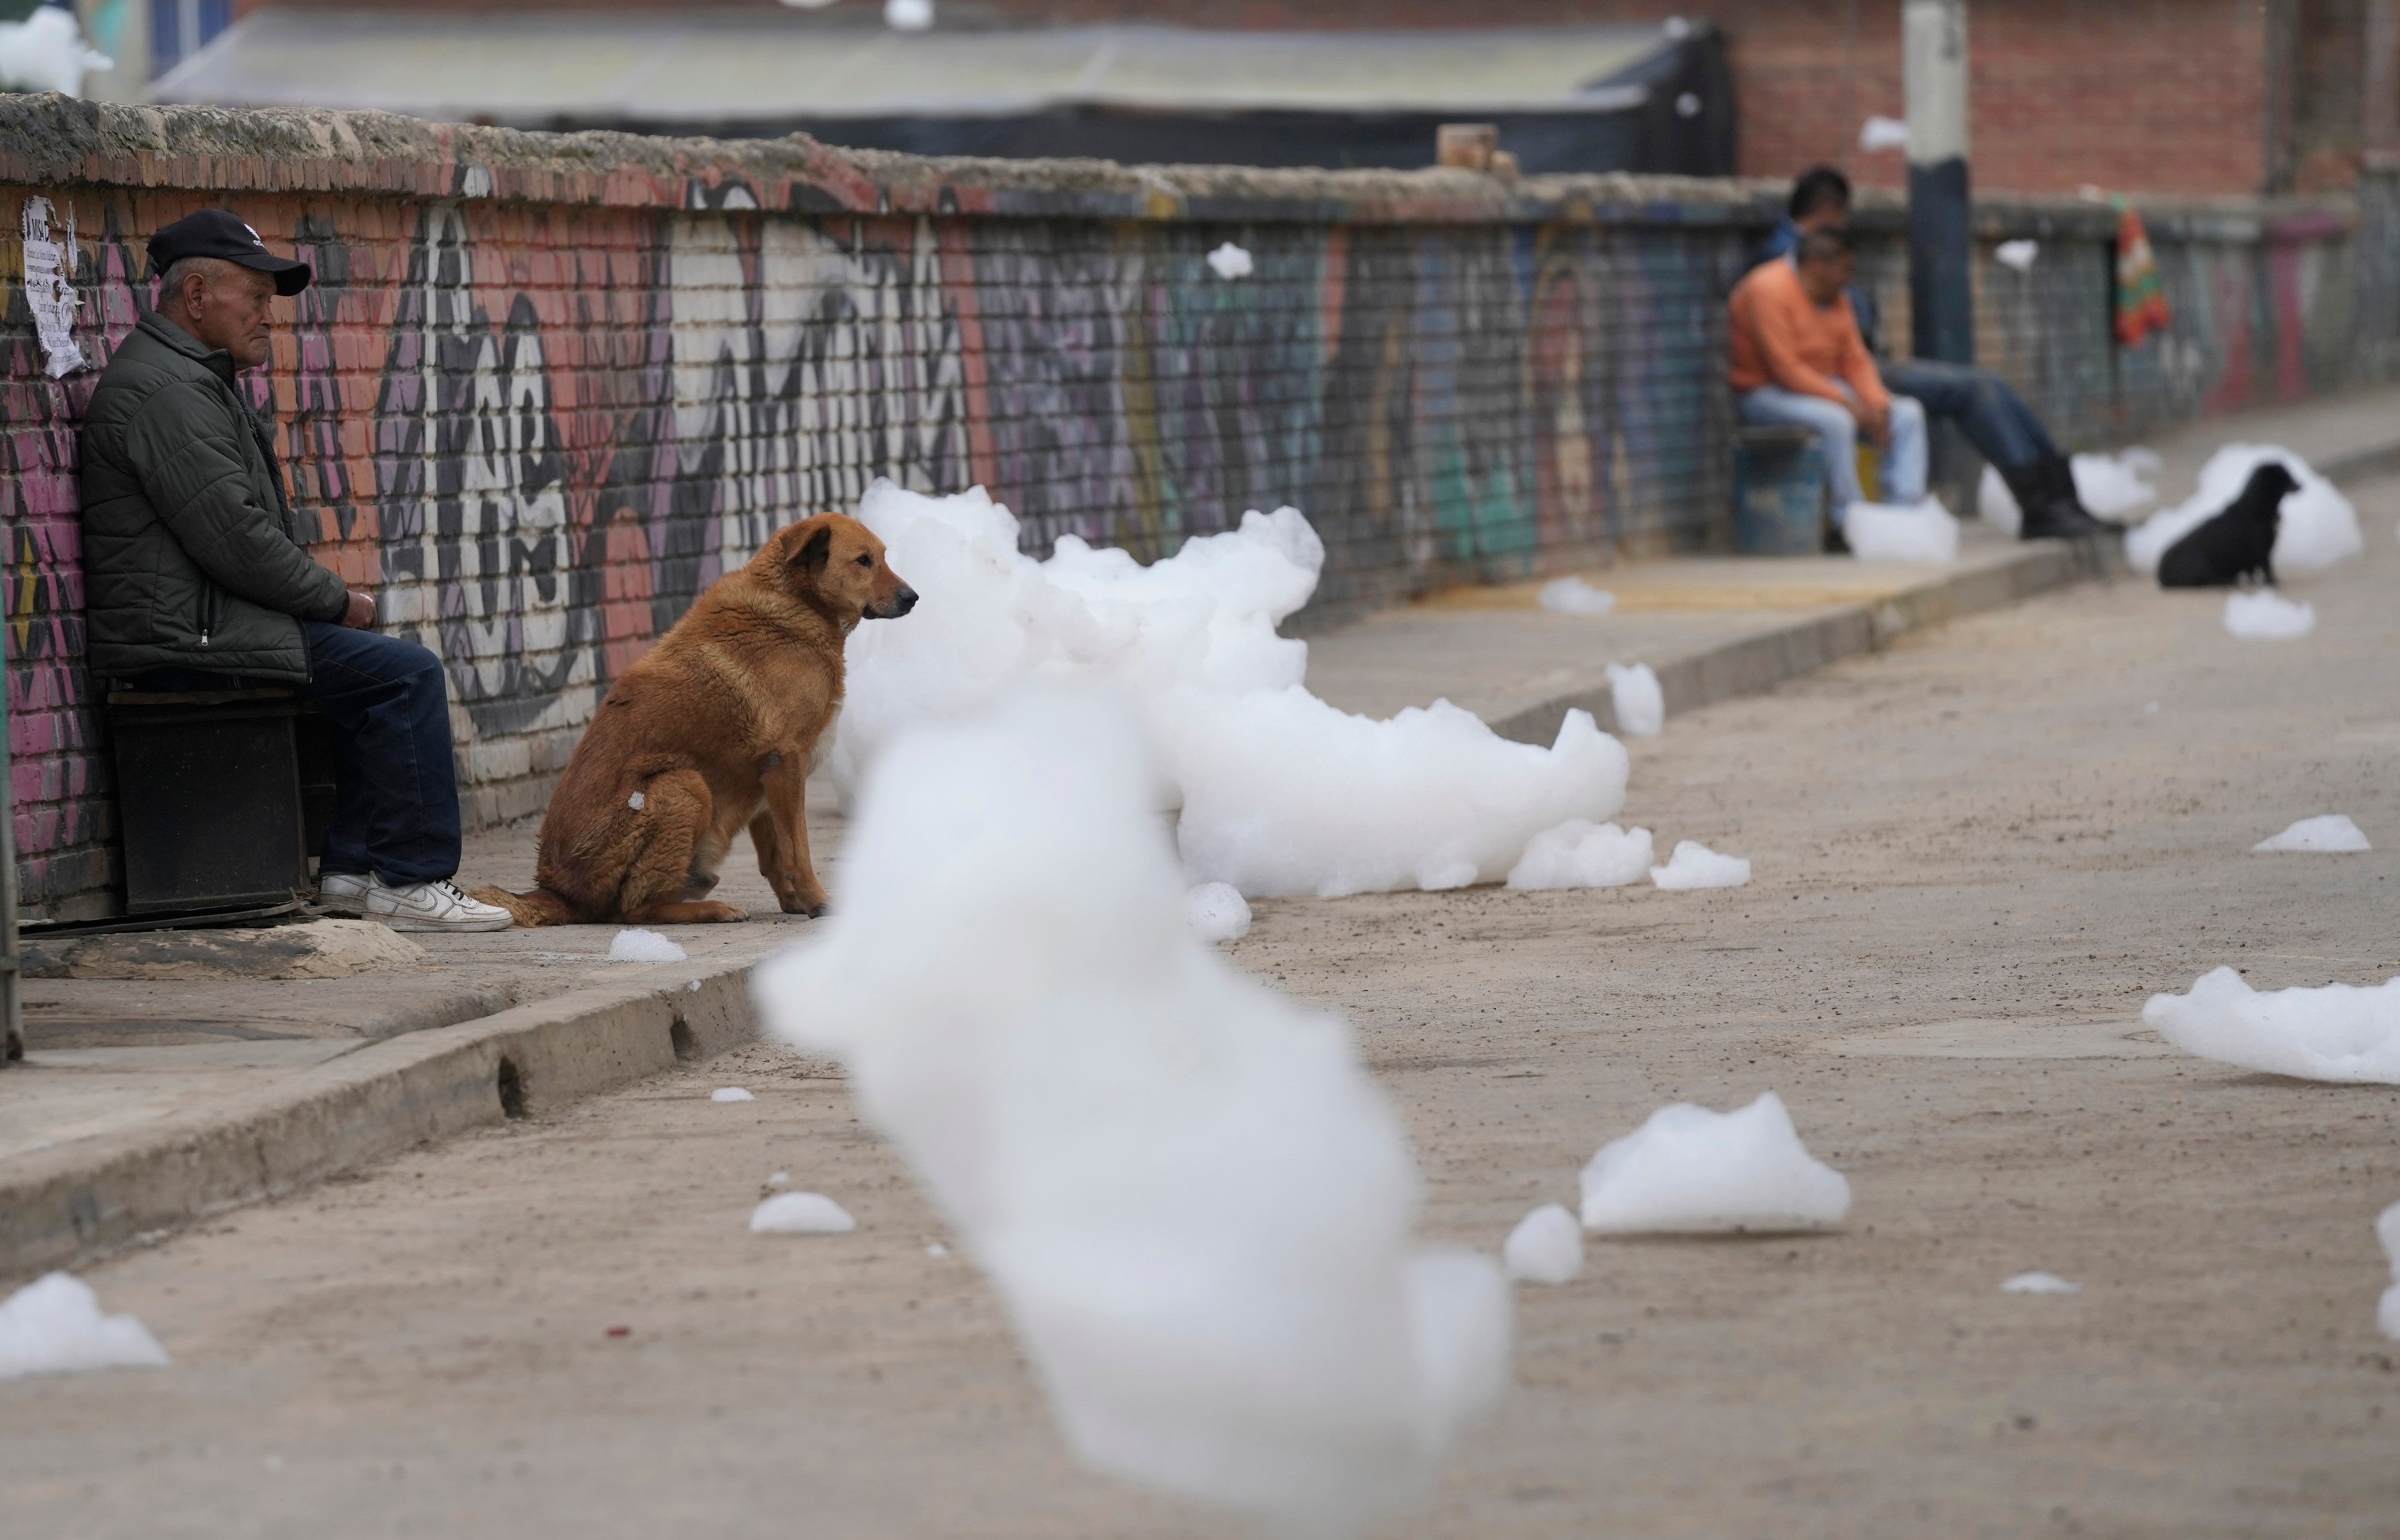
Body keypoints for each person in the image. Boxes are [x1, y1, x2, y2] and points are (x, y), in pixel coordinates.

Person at [77, 209, 512, 932]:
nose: (266, 316)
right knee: (407, 674)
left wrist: (327, 605)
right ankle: (412, 874)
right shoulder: (168, 392)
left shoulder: (188, 378)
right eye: (252, 297)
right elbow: (238, 542)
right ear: (195, 295)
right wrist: (339, 601)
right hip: (188, 639)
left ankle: (348, 869)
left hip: (206, 621)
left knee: (369, 673)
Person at [1756, 166, 2104, 540]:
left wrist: (1872, 398)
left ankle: (2059, 496)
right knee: (1973, 391)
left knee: (1988, 383)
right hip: (1828, 378)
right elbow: (1803, 357)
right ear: (1829, 211)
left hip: (1857, 370)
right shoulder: (1789, 265)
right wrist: (1857, 400)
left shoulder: (1821, 259)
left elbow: (1852, 343)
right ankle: (2039, 505)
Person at [1729, 225, 1928, 523]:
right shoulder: (1767, 289)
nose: (1849, 279)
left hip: (1824, 389)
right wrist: (1844, 403)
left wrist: (1877, 405)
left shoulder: (1837, 298)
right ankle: (1850, 517)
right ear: (1818, 265)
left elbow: (1855, 360)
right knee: (1837, 421)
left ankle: (1906, 513)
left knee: (1907, 413)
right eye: (1845, 269)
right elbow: (1786, 369)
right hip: (1764, 393)